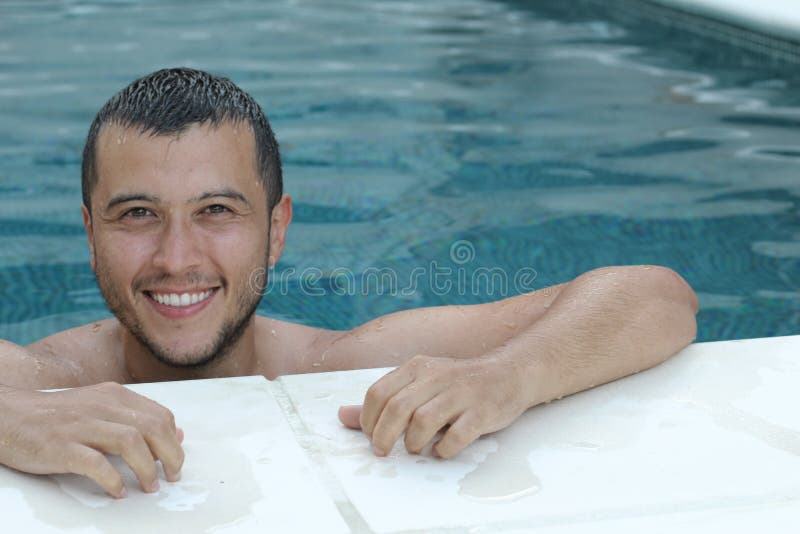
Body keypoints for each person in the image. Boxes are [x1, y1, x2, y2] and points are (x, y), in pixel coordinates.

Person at [0, 68, 698, 499]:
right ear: (90, 235)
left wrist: (505, 377)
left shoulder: (338, 365)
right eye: (138, 215)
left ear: (277, 229)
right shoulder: (44, 379)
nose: (176, 256)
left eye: (217, 211)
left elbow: (655, 294)